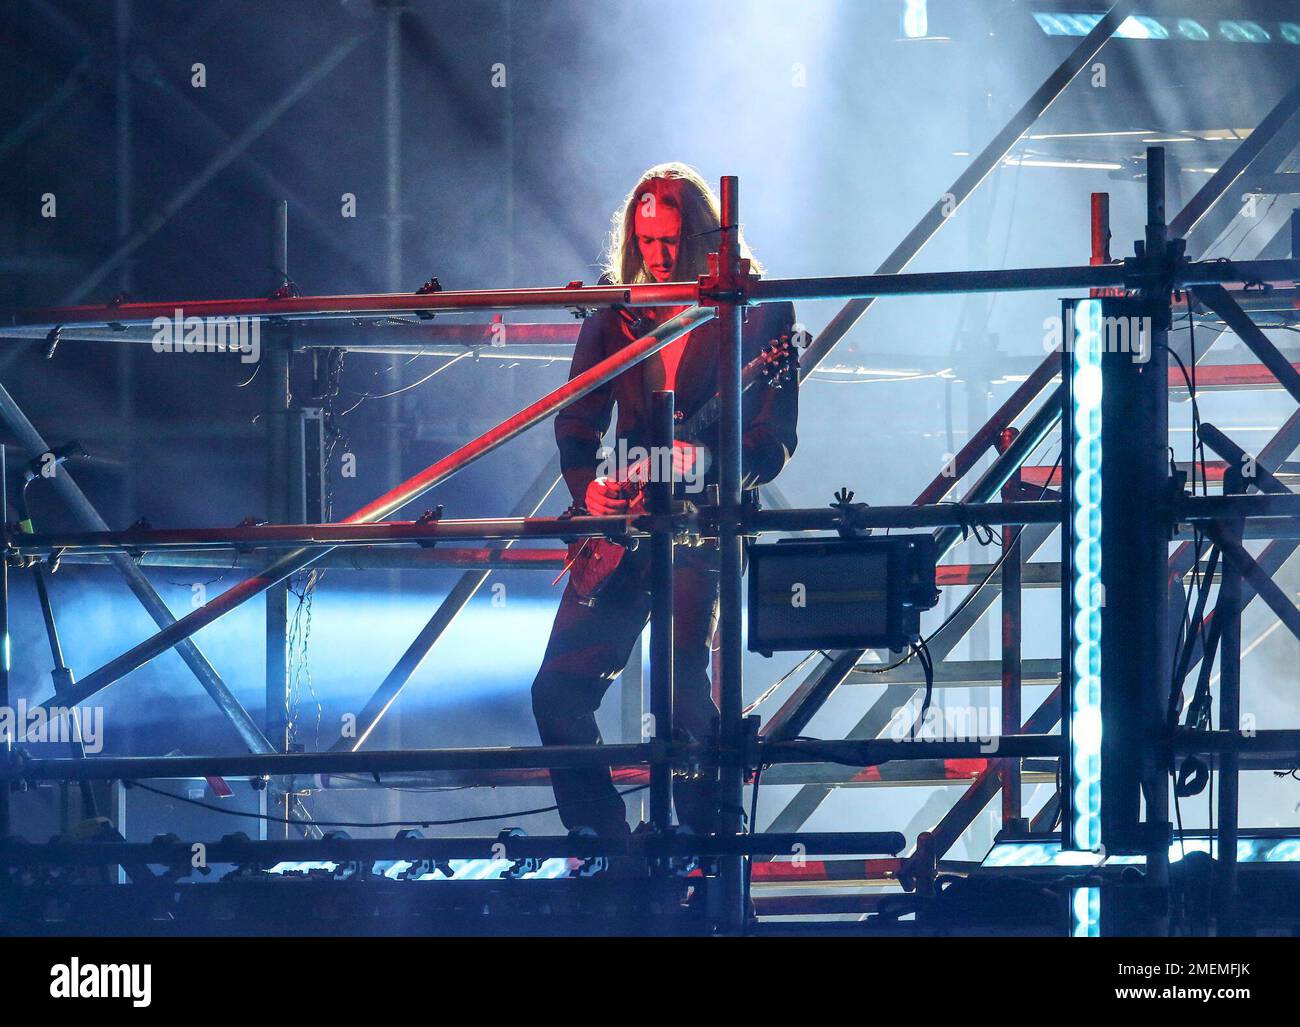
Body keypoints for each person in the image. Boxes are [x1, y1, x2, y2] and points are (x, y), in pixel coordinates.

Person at [530, 162, 799, 837]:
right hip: (622, 525)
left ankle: (704, 852)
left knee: (682, 694)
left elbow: (772, 441)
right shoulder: (615, 311)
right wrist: (588, 488)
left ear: (704, 234)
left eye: (672, 241)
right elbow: (574, 419)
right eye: (647, 243)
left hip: (701, 523)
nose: (659, 256)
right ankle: (608, 847)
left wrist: (710, 463)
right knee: (558, 690)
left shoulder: (759, 309)